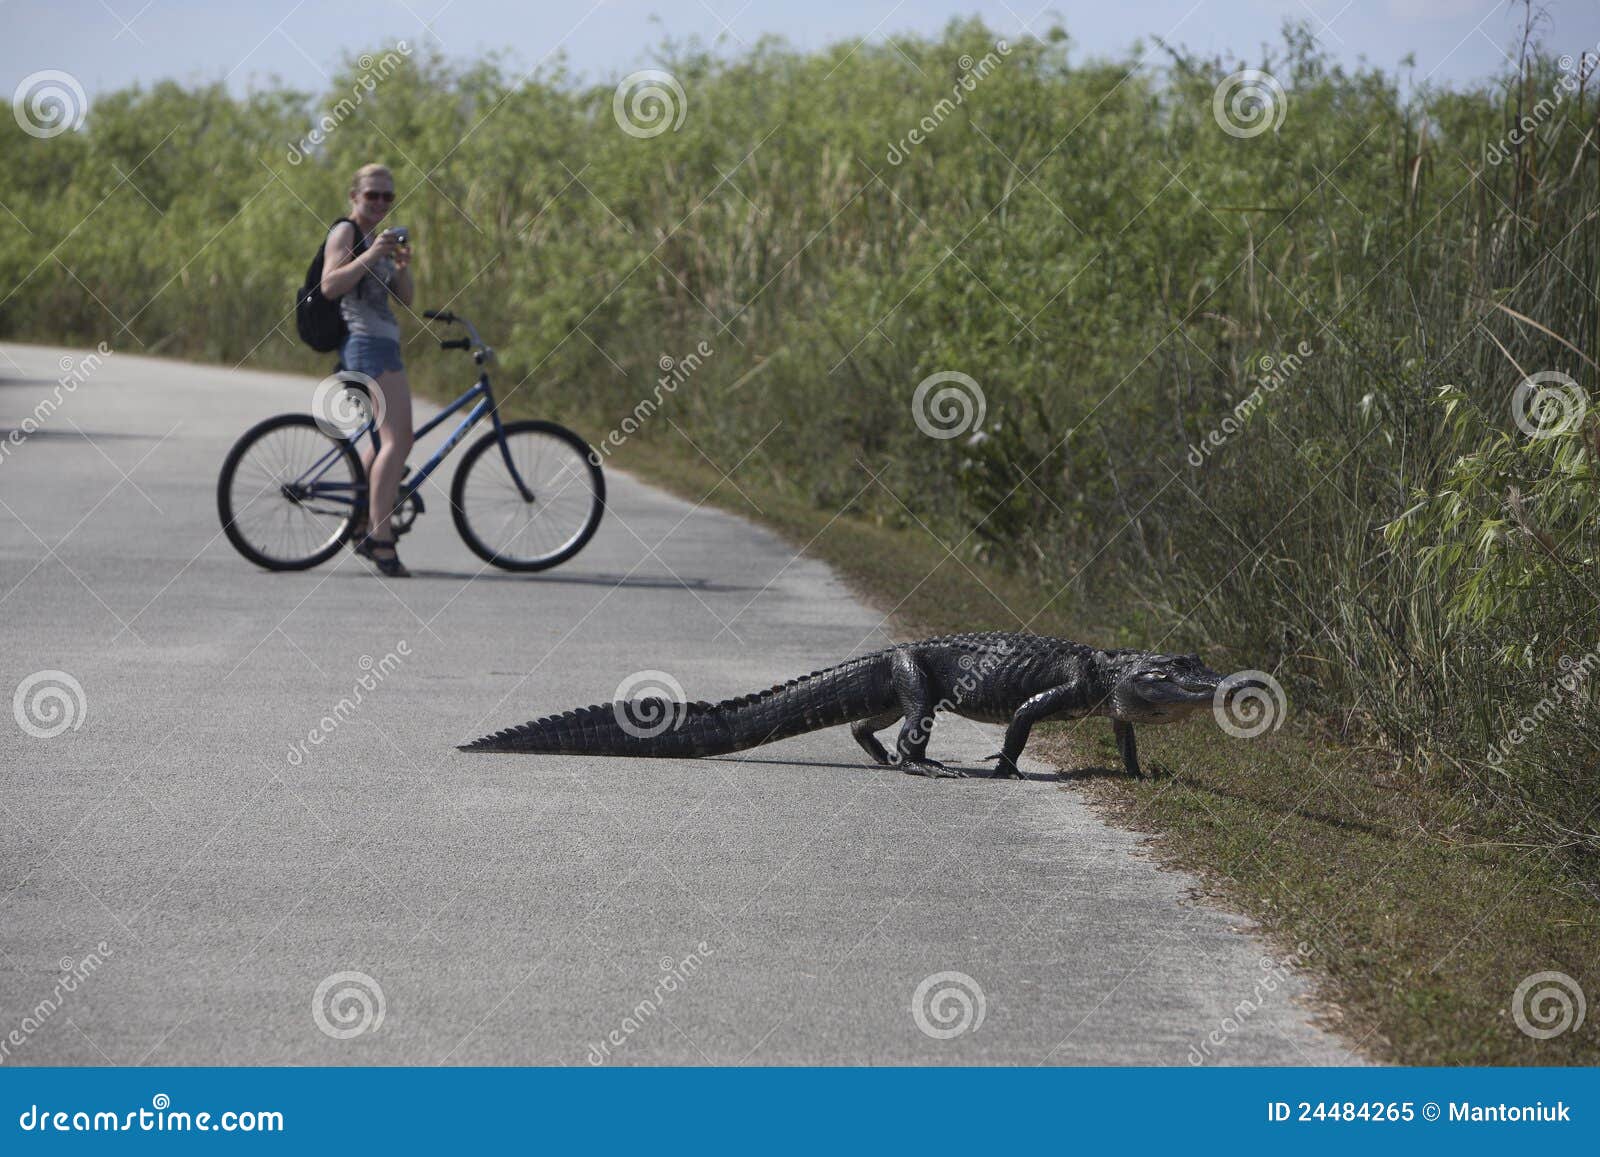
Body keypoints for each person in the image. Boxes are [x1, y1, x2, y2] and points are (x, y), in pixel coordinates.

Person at [319, 162, 414, 577]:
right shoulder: (347, 233)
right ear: (354, 197)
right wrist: (372, 253)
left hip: (384, 346)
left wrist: (402, 266)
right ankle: (381, 538)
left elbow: (405, 301)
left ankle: (362, 522)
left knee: (383, 443)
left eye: (386, 196)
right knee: (400, 439)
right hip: (365, 347)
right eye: (371, 195)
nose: (379, 202)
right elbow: (329, 285)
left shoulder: (378, 238)